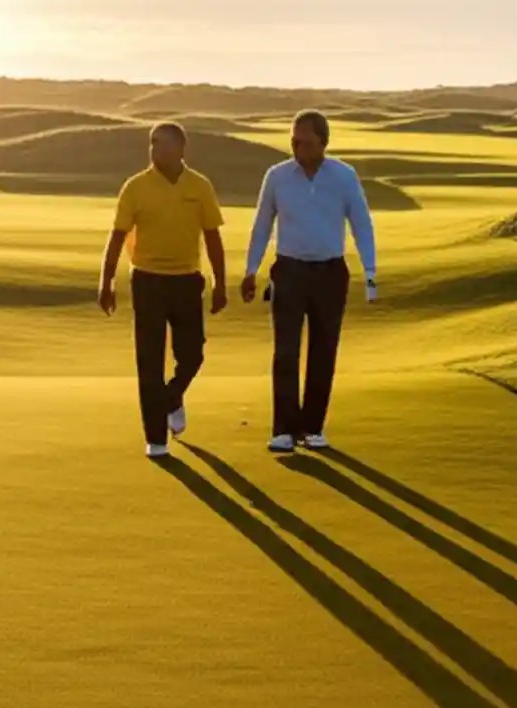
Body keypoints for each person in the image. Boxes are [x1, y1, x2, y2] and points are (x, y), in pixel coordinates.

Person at [241, 109, 377, 453]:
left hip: (330, 273)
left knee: (323, 351)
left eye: (304, 141)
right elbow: (262, 225)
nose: (296, 145)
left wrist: (371, 271)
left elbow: (361, 223)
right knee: (285, 352)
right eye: (293, 140)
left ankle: (313, 427)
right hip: (289, 271)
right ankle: (284, 429)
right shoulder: (277, 176)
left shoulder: (344, 176)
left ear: (323, 142)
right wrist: (250, 269)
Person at [98, 122, 229, 459]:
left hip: (187, 281)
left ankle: (172, 398)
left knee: (193, 355)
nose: (155, 150)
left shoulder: (199, 186)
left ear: (181, 150)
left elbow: (213, 236)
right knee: (149, 361)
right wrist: (106, 280)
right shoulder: (136, 187)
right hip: (148, 281)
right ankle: (156, 438)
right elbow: (116, 236)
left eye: (163, 145)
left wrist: (220, 282)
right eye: (152, 144)